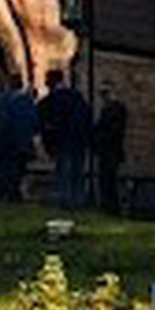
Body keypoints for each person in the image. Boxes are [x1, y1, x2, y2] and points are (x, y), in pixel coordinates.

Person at [36, 67, 93, 208]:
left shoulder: (50, 102)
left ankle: (66, 202)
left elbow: (46, 122)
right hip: (78, 143)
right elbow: (86, 118)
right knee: (76, 174)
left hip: (62, 144)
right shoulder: (77, 98)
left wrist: (50, 140)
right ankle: (77, 202)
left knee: (64, 173)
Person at [0, 69, 39, 202]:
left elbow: (2, 122)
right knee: (18, 171)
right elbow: (34, 122)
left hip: (7, 143)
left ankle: (7, 193)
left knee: (6, 170)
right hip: (22, 143)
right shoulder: (26, 101)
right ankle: (15, 194)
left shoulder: (5, 101)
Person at [92, 92, 129, 215]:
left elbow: (111, 130)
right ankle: (110, 205)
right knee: (108, 179)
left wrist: (99, 137)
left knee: (109, 179)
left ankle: (111, 206)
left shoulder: (113, 110)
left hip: (109, 149)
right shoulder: (113, 110)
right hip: (110, 149)